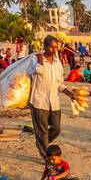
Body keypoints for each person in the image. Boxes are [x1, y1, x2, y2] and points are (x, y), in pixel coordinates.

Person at [29, 35, 79, 165]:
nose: (53, 49)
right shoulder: (36, 59)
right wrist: (40, 59)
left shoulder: (58, 64)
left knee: (56, 128)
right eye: (51, 46)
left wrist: (70, 94)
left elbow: (60, 84)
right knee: (42, 131)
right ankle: (47, 156)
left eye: (56, 47)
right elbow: (36, 70)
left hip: (54, 102)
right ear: (45, 46)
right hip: (39, 101)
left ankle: (42, 144)